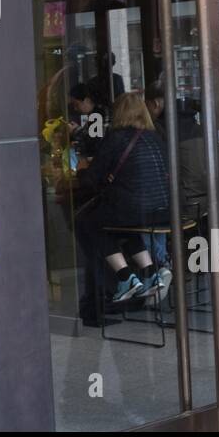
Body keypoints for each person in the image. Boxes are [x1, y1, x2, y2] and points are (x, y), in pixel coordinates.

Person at [75, 92, 172, 319]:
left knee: (86, 221)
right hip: (163, 211)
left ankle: (125, 277)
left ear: (118, 112)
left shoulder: (116, 138)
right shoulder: (154, 136)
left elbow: (92, 179)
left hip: (134, 210)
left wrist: (81, 170)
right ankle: (150, 274)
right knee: (122, 225)